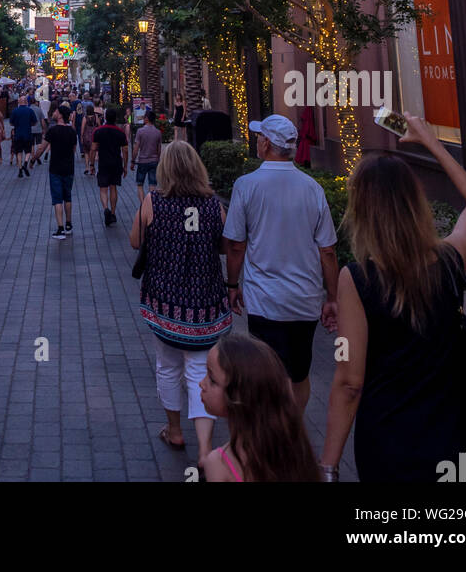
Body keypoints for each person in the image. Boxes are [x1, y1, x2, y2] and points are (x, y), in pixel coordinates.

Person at [320, 115, 466, 484]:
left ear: (361, 210)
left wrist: (329, 465)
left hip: (388, 439)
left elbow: (349, 381)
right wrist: (432, 141)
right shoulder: (450, 261)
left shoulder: (357, 279)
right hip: (452, 437)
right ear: (415, 203)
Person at [223, 114, 338, 413]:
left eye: (259, 137)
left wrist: (232, 285)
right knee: (299, 373)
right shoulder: (313, 188)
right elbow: (327, 250)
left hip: (265, 298)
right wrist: (332, 297)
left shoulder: (246, 185)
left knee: (265, 369)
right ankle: (292, 428)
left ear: (265, 144)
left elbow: (236, 245)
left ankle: (270, 431)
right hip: (306, 298)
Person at [129, 140, 232, 475]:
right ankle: (205, 449)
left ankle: (174, 430)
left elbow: (135, 242)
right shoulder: (213, 205)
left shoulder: (153, 201)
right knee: (201, 373)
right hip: (205, 306)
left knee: (168, 366)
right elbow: (224, 245)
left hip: (165, 304)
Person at [201, 334, 322, 483]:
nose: (202, 383)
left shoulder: (219, 464)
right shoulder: (295, 449)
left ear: (239, 396)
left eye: (212, 379)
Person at [32, 103, 78, 239]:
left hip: (56, 168)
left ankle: (60, 228)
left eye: (56, 111)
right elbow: (74, 149)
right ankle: (69, 224)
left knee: (57, 198)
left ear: (60, 115)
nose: (54, 113)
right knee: (67, 196)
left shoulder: (52, 131)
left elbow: (42, 148)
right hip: (69, 167)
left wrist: (34, 159)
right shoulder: (72, 131)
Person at [93, 106, 129, 225]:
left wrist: (92, 164)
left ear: (105, 117)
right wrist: (125, 165)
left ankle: (105, 208)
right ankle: (113, 213)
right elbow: (125, 150)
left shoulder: (98, 131)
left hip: (103, 163)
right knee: (113, 187)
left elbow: (93, 149)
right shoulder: (120, 132)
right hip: (116, 163)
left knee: (103, 189)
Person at [131, 108, 162, 202]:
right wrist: (157, 160)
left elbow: (136, 148)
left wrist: (133, 161)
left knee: (140, 184)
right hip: (154, 161)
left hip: (142, 161)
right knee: (152, 184)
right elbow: (159, 149)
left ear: (146, 119)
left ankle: (143, 205)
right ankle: (151, 205)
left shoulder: (140, 131)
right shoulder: (158, 132)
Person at [10, 95, 36, 177]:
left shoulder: (15, 111)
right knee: (28, 151)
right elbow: (34, 122)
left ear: (19, 102)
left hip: (18, 134)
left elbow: (11, 123)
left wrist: (16, 124)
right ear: (26, 102)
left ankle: (20, 169)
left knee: (19, 152)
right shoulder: (30, 111)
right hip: (27, 133)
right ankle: (25, 163)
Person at [81, 106, 97, 174]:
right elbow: (99, 125)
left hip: (86, 137)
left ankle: (87, 167)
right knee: (92, 152)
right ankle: (92, 167)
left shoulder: (85, 118)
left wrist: (81, 137)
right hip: (94, 137)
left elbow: (82, 128)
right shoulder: (95, 117)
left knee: (86, 152)